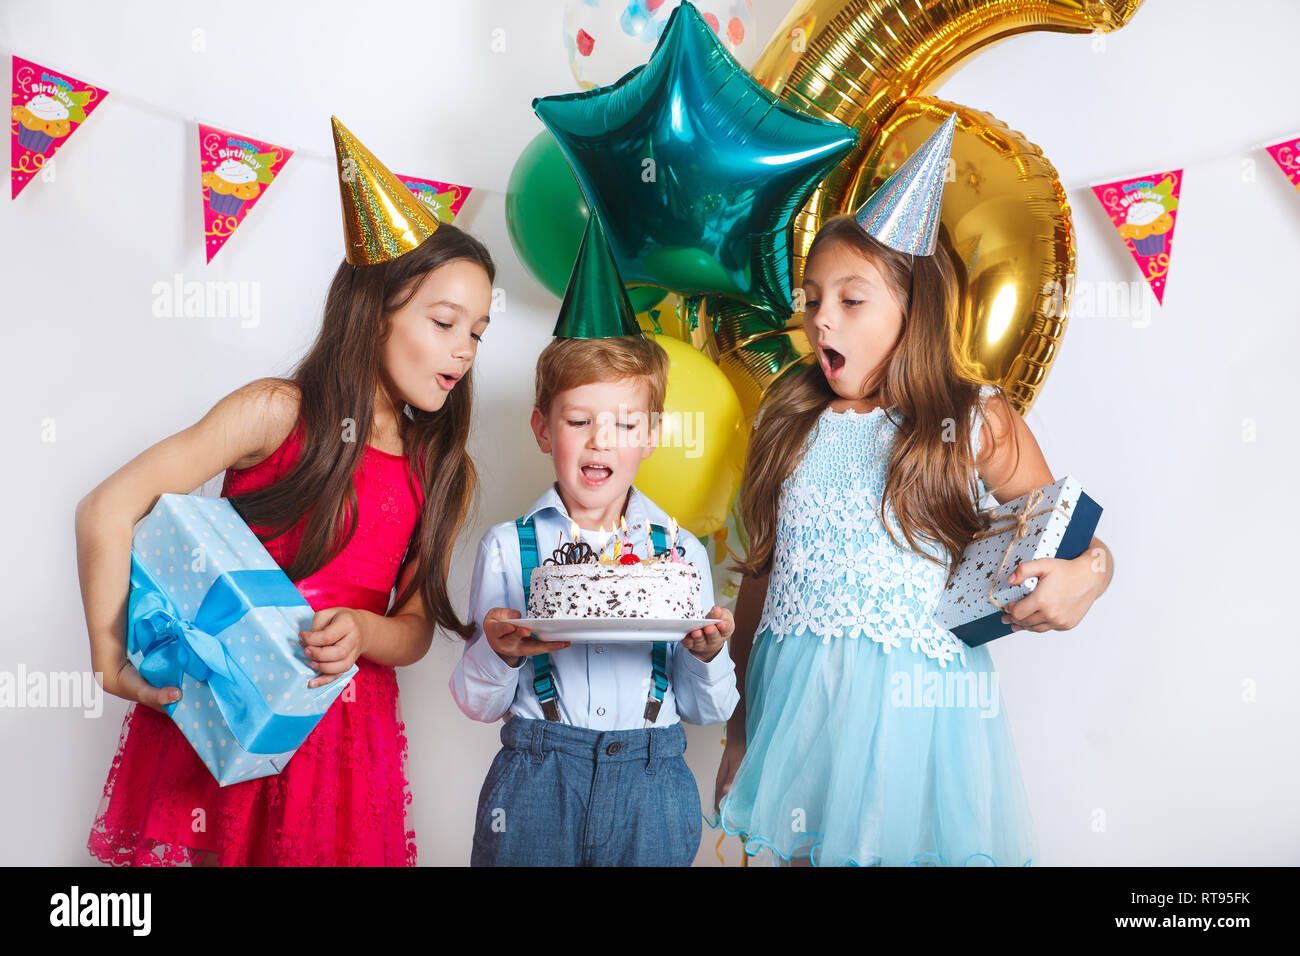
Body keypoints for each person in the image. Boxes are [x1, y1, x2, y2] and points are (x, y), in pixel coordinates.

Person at [79, 118, 494, 865]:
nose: (464, 349)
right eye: (444, 322)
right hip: (222, 713)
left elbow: (414, 627)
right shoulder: (276, 412)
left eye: (479, 332)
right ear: (377, 313)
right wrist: (112, 660)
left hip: (340, 747)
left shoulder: (442, 470)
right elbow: (107, 507)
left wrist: (365, 634)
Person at [713, 114, 1114, 866]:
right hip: (802, 725)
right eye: (812, 297)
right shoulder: (790, 422)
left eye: (851, 299)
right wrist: (741, 731)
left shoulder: (976, 421)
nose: (820, 316)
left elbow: (1075, 539)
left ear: (914, 308)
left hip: (918, 726)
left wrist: (1086, 576)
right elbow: (760, 586)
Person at [450, 214, 739, 866]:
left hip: (652, 784)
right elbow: (475, 702)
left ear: (652, 434)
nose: (600, 439)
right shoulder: (509, 549)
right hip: (535, 781)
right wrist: (500, 652)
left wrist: (707, 652)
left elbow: (706, 708)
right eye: (579, 420)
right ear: (543, 429)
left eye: (623, 422)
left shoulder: (682, 553)